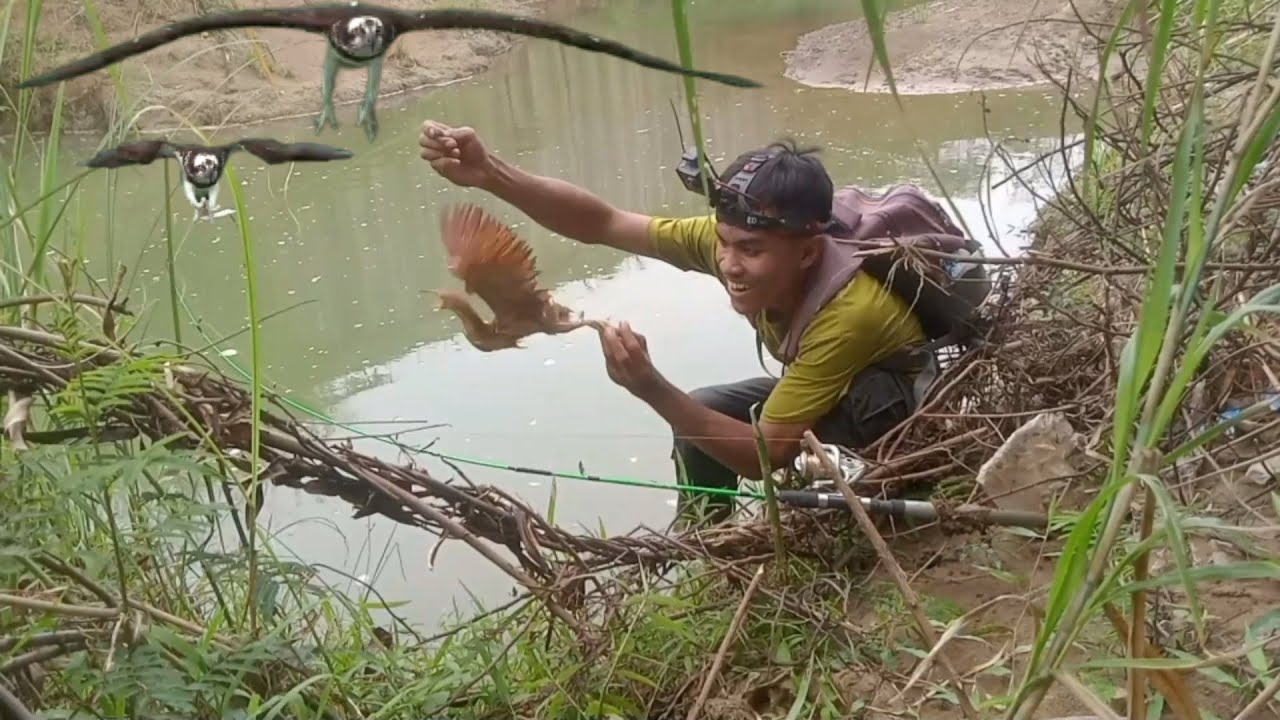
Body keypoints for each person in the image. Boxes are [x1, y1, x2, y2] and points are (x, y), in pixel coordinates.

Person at [418, 119, 934, 525]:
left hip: (890, 416)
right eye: (724, 242)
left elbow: (765, 456)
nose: (729, 263)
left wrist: (649, 387)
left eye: (751, 250)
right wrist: (493, 173)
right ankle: (707, 538)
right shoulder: (727, 243)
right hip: (829, 386)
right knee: (703, 415)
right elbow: (603, 223)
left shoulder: (848, 313)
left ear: (807, 253)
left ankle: (872, 494)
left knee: (694, 413)